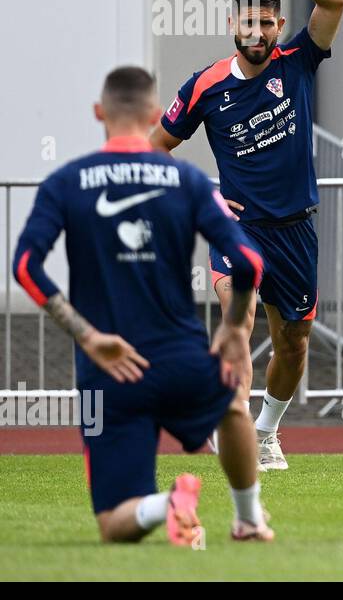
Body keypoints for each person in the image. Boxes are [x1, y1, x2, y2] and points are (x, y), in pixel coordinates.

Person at [12, 67, 274, 543]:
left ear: (99, 113)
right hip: (181, 358)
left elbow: (26, 266)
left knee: (114, 525)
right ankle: (249, 519)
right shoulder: (189, 181)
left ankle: (166, 503)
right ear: (156, 115)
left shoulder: (67, 182)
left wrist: (87, 336)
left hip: (108, 371)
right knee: (233, 407)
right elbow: (250, 260)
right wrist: (235, 328)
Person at [151, 0, 343, 471]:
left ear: (279, 26)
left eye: (265, 22)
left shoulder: (299, 60)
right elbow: (150, 152)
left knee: (294, 342)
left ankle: (264, 433)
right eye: (247, 23)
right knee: (242, 316)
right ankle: (231, 419)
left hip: (296, 230)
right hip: (237, 228)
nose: (256, 31)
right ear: (232, 26)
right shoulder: (204, 86)